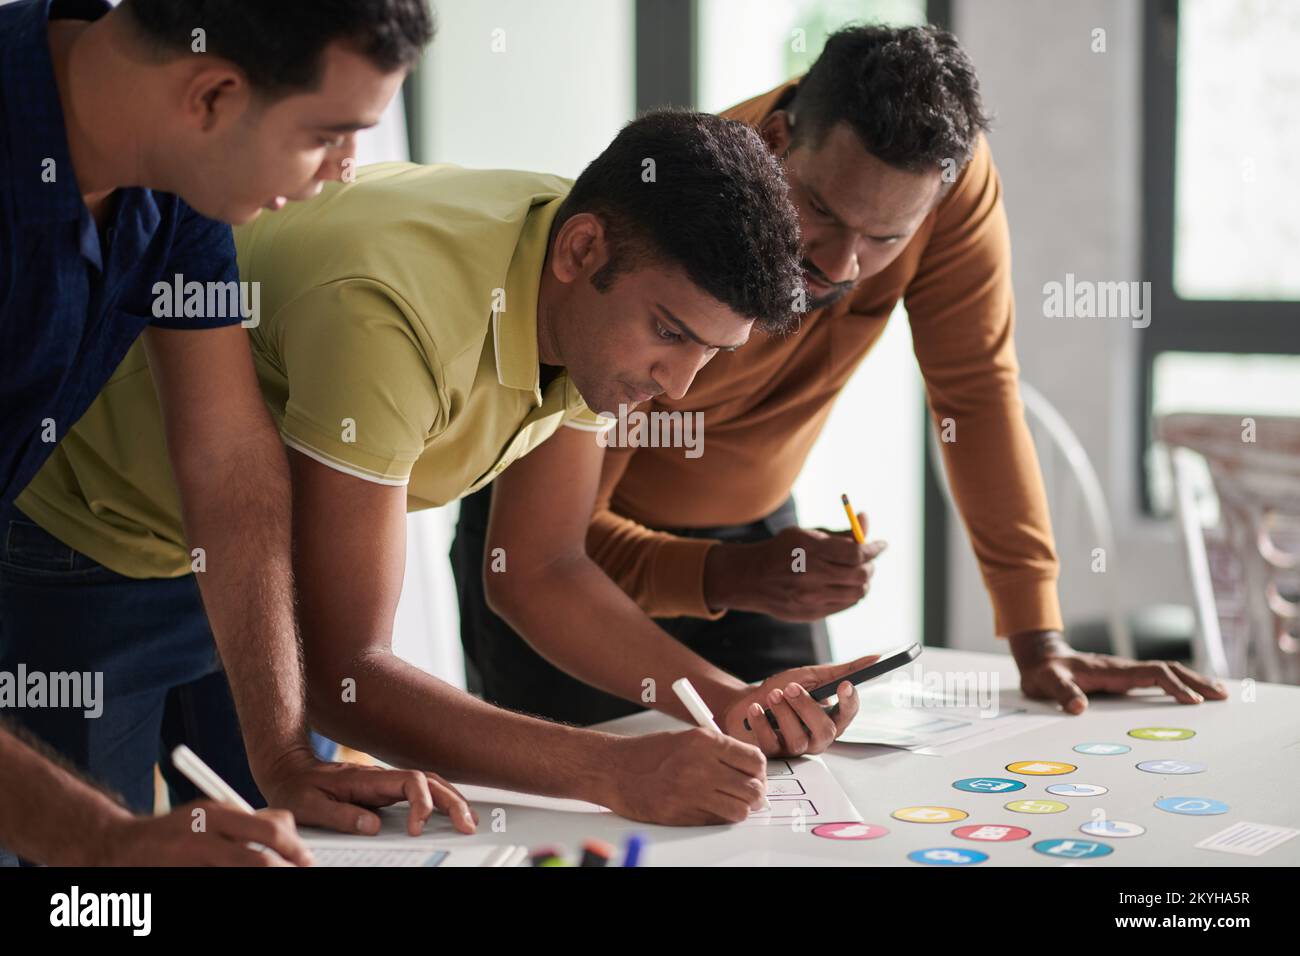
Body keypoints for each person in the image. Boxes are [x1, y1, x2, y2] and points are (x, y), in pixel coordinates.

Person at [13, 110, 840, 826]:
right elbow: (346, 678)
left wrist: (727, 698)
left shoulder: (602, 285)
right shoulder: (392, 311)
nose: (677, 386)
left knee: (296, 833)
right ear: (580, 249)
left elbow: (539, 570)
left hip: (256, 560)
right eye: (671, 333)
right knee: (91, 870)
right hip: (92, 534)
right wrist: (615, 772)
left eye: (710, 350)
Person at [453, 23, 1228, 728]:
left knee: (792, 801)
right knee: (595, 817)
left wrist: (1038, 637)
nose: (837, 264)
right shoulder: (690, 204)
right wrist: (724, 573)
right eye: (818, 210)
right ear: (778, 140)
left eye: (883, 238)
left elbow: (976, 392)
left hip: (754, 541)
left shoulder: (941, 186)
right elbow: (550, 554)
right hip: (569, 555)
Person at [0, 0, 472, 867]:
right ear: (212, 94)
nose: (343, 170)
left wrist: (284, 760)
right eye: (329, 134)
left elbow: (226, 457)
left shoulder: (177, 181)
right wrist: (106, 842)